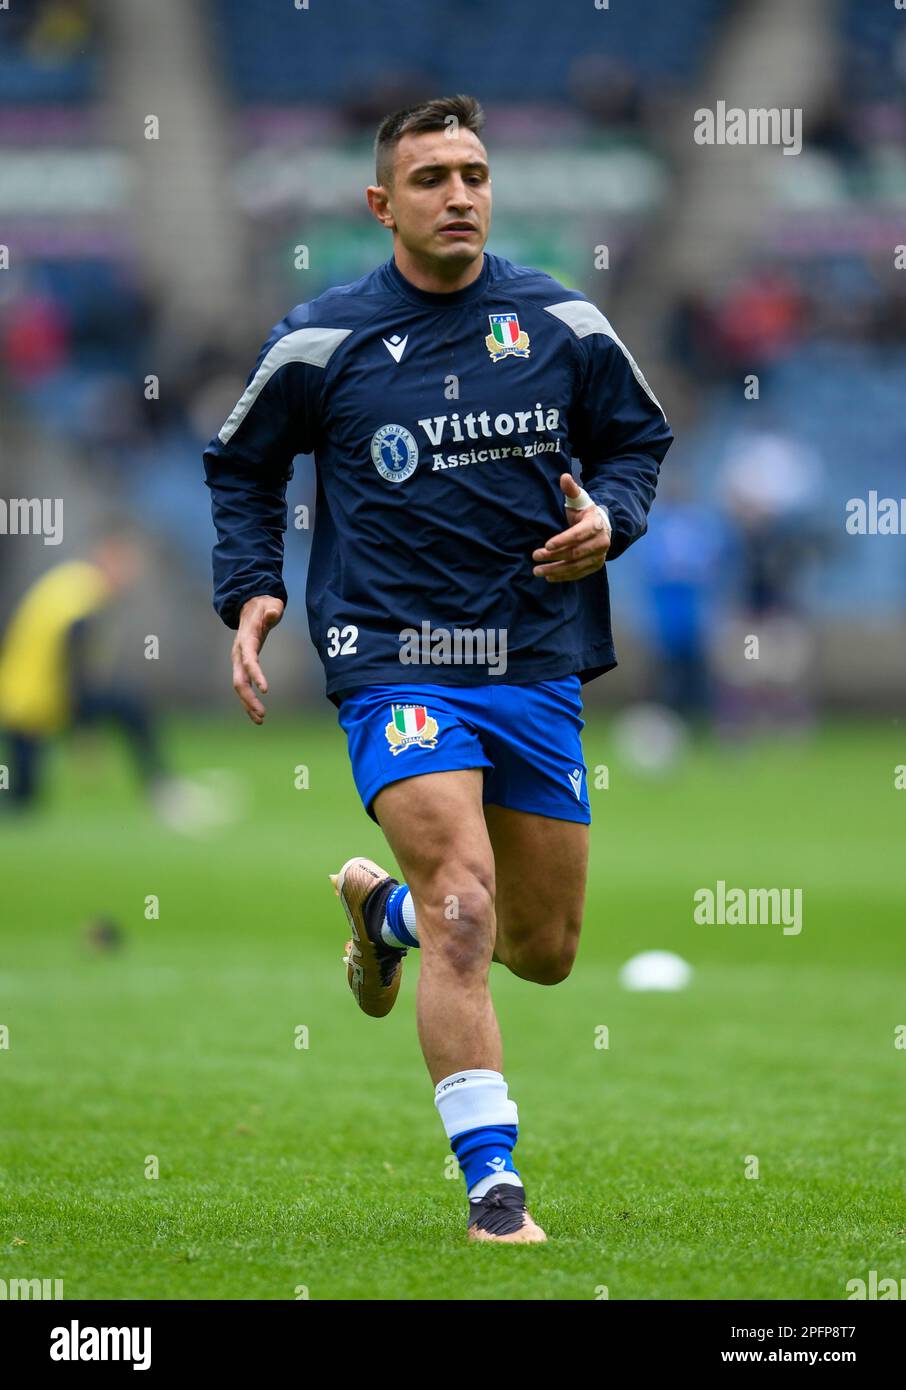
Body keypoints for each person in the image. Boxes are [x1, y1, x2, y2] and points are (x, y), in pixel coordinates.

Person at [204, 94, 673, 1243]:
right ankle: (494, 1190)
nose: (458, 193)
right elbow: (241, 467)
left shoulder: (561, 319)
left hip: (532, 653)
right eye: (431, 179)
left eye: (473, 173)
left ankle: (384, 916)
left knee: (541, 949)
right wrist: (251, 588)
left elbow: (637, 442)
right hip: (391, 656)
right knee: (468, 904)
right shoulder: (321, 339)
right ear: (382, 205)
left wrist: (611, 519)